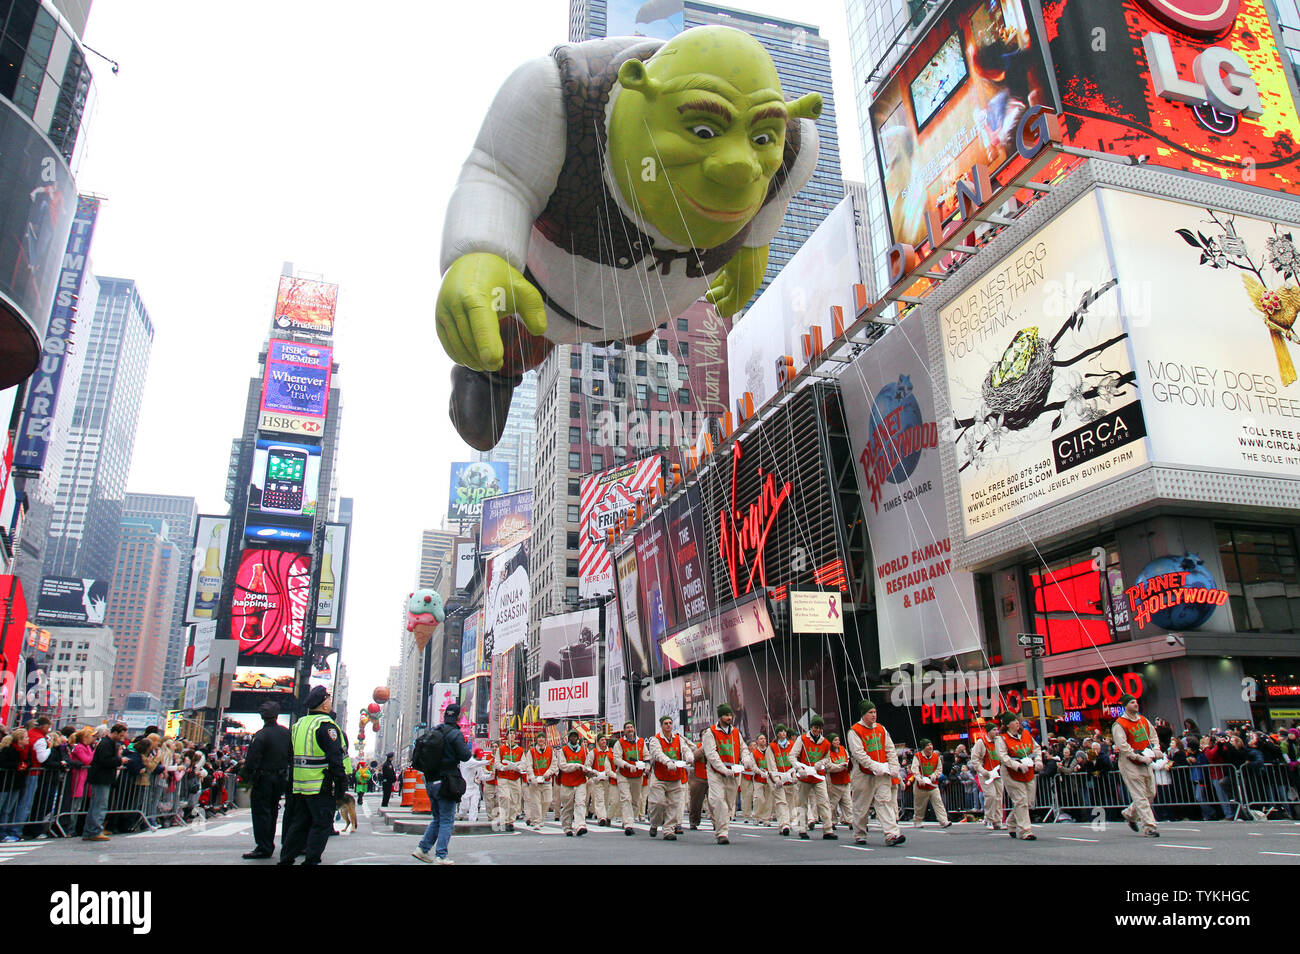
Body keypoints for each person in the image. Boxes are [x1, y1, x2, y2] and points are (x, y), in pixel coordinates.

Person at [279, 686, 348, 866]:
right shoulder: (326, 726)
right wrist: (341, 783)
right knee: (322, 823)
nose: (330, 703)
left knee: (299, 822)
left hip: (300, 784)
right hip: (320, 784)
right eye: (329, 700)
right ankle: (311, 859)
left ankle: (286, 858)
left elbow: (290, 754)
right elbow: (335, 758)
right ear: (324, 704)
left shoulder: (298, 724)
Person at [412, 703, 472, 864]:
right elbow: (466, 756)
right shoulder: (455, 734)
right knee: (446, 820)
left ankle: (422, 849)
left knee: (437, 819)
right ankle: (441, 855)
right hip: (446, 783)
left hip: (431, 782)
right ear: (458, 717)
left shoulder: (435, 730)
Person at [846, 700, 904, 847]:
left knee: (885, 802)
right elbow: (859, 754)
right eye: (870, 713)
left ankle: (892, 834)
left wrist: (894, 767)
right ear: (863, 715)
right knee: (861, 804)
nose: (874, 715)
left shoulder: (881, 729)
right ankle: (859, 833)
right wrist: (875, 766)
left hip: (883, 773)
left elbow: (890, 749)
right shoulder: (854, 731)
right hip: (863, 773)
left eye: (875, 712)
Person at [242, 701, 291, 860]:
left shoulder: (261, 735)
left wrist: (246, 779)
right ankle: (268, 844)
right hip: (280, 778)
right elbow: (291, 755)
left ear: (263, 717)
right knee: (273, 811)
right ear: (277, 715)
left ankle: (264, 846)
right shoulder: (285, 733)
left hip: (263, 779)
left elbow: (251, 761)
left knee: (261, 812)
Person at [700, 703, 755, 845]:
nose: (729, 717)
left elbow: (743, 748)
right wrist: (723, 769)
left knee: (729, 804)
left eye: (730, 715)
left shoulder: (736, 732)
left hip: (734, 773)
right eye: (726, 715)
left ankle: (718, 821)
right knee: (718, 801)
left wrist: (746, 758)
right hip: (716, 773)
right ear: (720, 717)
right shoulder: (710, 733)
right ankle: (722, 833)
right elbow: (711, 754)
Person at [1111, 693, 1162, 837]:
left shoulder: (1144, 720)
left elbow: (1153, 736)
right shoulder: (1119, 724)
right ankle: (1149, 826)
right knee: (1139, 795)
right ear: (1126, 705)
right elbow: (1123, 746)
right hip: (1130, 763)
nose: (1136, 704)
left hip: (1146, 760)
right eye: (1132, 702)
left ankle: (1130, 814)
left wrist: (1156, 749)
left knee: (1150, 794)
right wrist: (1137, 757)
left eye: (1136, 702)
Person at [995, 711, 1041, 841]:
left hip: (1029, 771)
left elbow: (1035, 749)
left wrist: (1038, 761)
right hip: (1011, 773)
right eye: (1014, 721)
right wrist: (1017, 765)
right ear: (1008, 725)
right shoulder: (1001, 739)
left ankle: (1011, 822)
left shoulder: (1026, 734)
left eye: (1017, 721)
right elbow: (1003, 757)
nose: (1017, 723)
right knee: (1021, 800)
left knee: (1028, 801)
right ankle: (1025, 831)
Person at [787, 716, 835, 839]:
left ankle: (828, 829)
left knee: (824, 802)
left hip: (818, 776)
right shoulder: (802, 739)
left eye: (819, 728)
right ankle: (802, 829)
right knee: (802, 803)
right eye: (815, 727)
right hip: (804, 776)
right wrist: (798, 768)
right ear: (811, 727)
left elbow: (827, 757)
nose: (817, 730)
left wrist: (822, 763)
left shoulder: (825, 742)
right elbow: (792, 755)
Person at [646, 715, 693, 840]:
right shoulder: (655, 740)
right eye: (665, 723)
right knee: (658, 803)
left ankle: (668, 831)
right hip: (660, 777)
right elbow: (657, 753)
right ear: (661, 726)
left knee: (674, 805)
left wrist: (689, 756)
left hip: (675, 777)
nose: (668, 725)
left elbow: (685, 749)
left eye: (670, 723)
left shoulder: (678, 739)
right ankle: (654, 823)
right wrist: (667, 762)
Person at [82, 723, 128, 843]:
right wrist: (120, 760)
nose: (122, 738)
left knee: (96, 805)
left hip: (102, 777)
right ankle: (95, 830)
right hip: (101, 778)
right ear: (115, 733)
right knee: (100, 805)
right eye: (121, 735)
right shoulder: (106, 744)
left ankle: (90, 830)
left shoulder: (108, 743)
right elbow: (105, 761)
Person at [610, 721, 648, 836]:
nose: (630, 729)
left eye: (631, 727)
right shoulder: (620, 743)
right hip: (623, 774)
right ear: (624, 730)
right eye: (627, 728)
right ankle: (628, 823)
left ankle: (631, 817)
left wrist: (647, 765)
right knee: (626, 798)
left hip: (638, 775)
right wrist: (627, 765)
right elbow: (616, 758)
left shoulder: (641, 742)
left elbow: (646, 755)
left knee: (636, 800)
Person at [556, 730, 592, 837]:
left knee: (580, 803)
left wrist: (588, 770)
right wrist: (575, 766)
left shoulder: (584, 751)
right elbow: (562, 765)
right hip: (567, 782)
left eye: (575, 736)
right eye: (571, 736)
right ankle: (567, 827)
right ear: (568, 738)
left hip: (580, 781)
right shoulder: (564, 750)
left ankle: (580, 825)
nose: (573, 738)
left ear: (578, 738)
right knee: (568, 806)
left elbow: (587, 764)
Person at [970, 721, 1004, 830]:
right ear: (988, 732)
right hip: (986, 773)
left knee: (999, 797)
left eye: (996, 729)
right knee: (991, 795)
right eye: (994, 730)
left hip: (998, 773)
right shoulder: (981, 742)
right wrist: (983, 771)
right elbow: (975, 759)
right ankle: (989, 819)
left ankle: (998, 821)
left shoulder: (999, 742)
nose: (996, 731)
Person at [911, 739, 951, 828]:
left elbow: (939, 769)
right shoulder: (917, 756)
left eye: (931, 745)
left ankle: (943, 820)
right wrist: (919, 778)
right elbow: (914, 769)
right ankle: (918, 820)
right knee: (919, 805)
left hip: (933, 785)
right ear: (923, 747)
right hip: (920, 786)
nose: (930, 747)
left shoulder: (936, 756)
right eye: (928, 745)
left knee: (938, 803)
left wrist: (935, 775)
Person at [768, 724, 797, 835]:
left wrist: (794, 775)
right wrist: (776, 779)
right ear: (777, 734)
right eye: (780, 731)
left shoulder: (792, 745)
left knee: (790, 802)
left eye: (784, 731)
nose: (783, 733)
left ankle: (788, 822)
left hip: (789, 778)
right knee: (781, 802)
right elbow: (771, 764)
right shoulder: (772, 747)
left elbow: (794, 762)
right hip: (779, 778)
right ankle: (784, 824)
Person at [495, 730, 526, 831]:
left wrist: (519, 768)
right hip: (503, 777)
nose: (512, 736)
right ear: (507, 736)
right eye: (510, 734)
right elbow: (497, 763)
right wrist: (503, 767)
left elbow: (524, 764)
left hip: (515, 778)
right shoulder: (501, 749)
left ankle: (510, 821)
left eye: (513, 734)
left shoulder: (520, 750)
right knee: (505, 797)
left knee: (514, 800)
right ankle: (503, 819)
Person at [523, 734, 556, 829]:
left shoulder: (550, 751)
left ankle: (540, 818)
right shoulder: (531, 751)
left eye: (543, 738)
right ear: (537, 740)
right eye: (539, 738)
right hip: (535, 781)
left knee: (547, 800)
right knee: (536, 802)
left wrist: (549, 772)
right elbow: (528, 765)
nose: (541, 740)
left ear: (545, 740)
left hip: (546, 780)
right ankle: (537, 821)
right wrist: (532, 776)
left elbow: (554, 764)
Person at [588, 735, 615, 826]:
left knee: (607, 799)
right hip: (597, 780)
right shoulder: (593, 753)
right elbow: (588, 765)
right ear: (598, 742)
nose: (604, 741)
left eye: (604, 740)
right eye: (601, 740)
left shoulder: (611, 752)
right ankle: (601, 818)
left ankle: (605, 815)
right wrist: (594, 773)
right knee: (599, 799)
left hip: (608, 779)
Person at [749, 733, 774, 825]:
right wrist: (760, 772)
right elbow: (753, 766)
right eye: (761, 739)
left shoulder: (770, 752)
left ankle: (766, 818)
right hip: (758, 778)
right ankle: (756, 816)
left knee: (769, 799)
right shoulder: (754, 753)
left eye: (764, 738)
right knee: (759, 798)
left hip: (769, 778)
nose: (763, 740)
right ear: (757, 741)